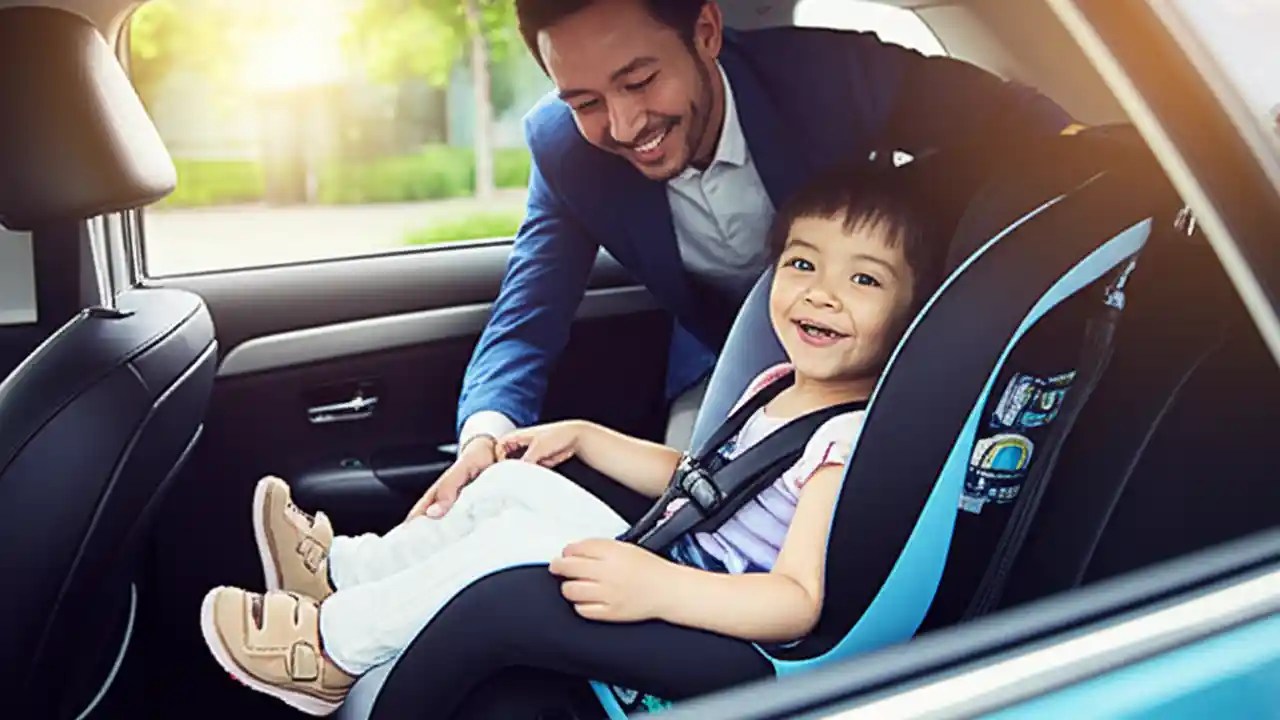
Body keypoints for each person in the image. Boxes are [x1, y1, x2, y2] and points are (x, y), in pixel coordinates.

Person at [197, 164, 951, 716]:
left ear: (909, 316)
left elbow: (794, 602)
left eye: (865, 281)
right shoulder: (777, 386)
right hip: (669, 560)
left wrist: (658, 586)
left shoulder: (842, 440)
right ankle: (343, 569)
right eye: (802, 263)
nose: (820, 291)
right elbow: (699, 478)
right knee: (509, 485)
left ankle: (330, 647)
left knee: (515, 549)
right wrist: (586, 436)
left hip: (706, 617)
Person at [429, 0, 1076, 524]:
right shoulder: (565, 150)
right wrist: (486, 435)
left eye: (639, 80)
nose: (624, 125)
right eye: (586, 101)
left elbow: (1018, 121)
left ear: (706, 32)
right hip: (719, 363)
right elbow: (526, 315)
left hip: (867, 351)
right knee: (691, 514)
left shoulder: (828, 76)